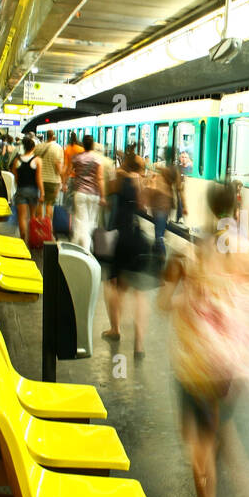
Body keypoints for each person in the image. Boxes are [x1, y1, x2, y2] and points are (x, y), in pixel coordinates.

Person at [157, 182, 249, 497]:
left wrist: (190, 301)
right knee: (217, 433)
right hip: (234, 363)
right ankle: (236, 483)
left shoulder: (187, 253)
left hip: (196, 363)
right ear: (235, 209)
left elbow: (162, 303)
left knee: (199, 448)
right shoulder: (238, 250)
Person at [101, 151, 151, 356]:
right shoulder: (139, 181)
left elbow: (105, 199)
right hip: (136, 237)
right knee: (139, 293)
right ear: (138, 168)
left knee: (114, 286)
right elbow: (142, 207)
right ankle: (139, 344)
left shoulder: (118, 178)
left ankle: (115, 329)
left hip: (119, 237)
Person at [69, 134, 104, 252]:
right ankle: (86, 245)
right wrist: (103, 196)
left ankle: (82, 245)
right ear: (93, 145)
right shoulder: (97, 159)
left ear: (83, 145)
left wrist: (64, 183)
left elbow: (69, 171)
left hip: (80, 192)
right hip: (94, 194)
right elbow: (100, 178)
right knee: (91, 221)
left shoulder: (77, 158)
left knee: (80, 219)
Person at [10, 135, 42, 243]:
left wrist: (19, 186)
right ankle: (32, 238)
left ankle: (23, 240)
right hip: (33, 191)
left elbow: (15, 176)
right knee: (32, 216)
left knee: (22, 217)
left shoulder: (17, 160)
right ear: (33, 148)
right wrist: (42, 193)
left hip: (21, 190)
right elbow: (38, 178)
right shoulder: (37, 160)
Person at [36, 135, 63, 222]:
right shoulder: (58, 148)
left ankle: (39, 225)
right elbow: (58, 166)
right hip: (53, 180)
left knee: (39, 203)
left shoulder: (38, 147)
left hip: (39, 179)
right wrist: (61, 178)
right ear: (54, 137)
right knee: (49, 204)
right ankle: (47, 226)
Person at [62, 134, 84, 206]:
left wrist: (63, 183)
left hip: (70, 176)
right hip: (80, 177)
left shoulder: (67, 149)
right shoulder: (81, 149)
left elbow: (65, 166)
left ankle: (68, 215)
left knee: (68, 199)